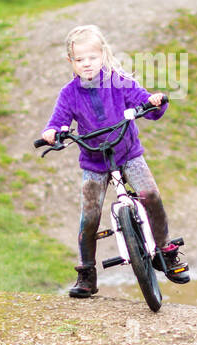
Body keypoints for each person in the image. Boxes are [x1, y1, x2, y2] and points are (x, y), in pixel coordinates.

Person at [40, 24, 189, 298]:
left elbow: (146, 103)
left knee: (151, 195)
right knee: (90, 217)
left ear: (103, 55)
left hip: (128, 154)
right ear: (70, 62)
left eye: (92, 58)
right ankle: (86, 272)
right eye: (80, 60)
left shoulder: (119, 81)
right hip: (94, 162)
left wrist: (154, 101)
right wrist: (52, 133)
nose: (87, 64)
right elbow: (58, 122)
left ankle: (166, 251)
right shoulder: (68, 94)